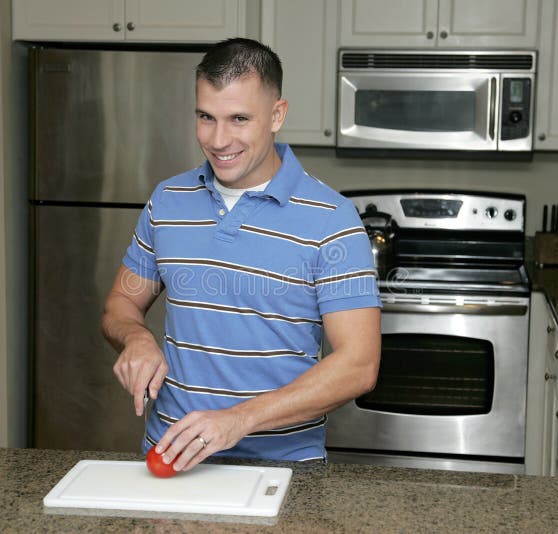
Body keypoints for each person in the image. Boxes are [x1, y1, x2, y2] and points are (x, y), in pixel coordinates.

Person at [101, 37, 381, 472]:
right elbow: (121, 304)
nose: (218, 139)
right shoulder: (168, 201)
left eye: (239, 119)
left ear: (277, 115)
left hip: (283, 471)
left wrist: (241, 419)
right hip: (170, 460)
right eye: (205, 117)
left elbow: (359, 365)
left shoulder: (333, 221)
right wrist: (136, 338)